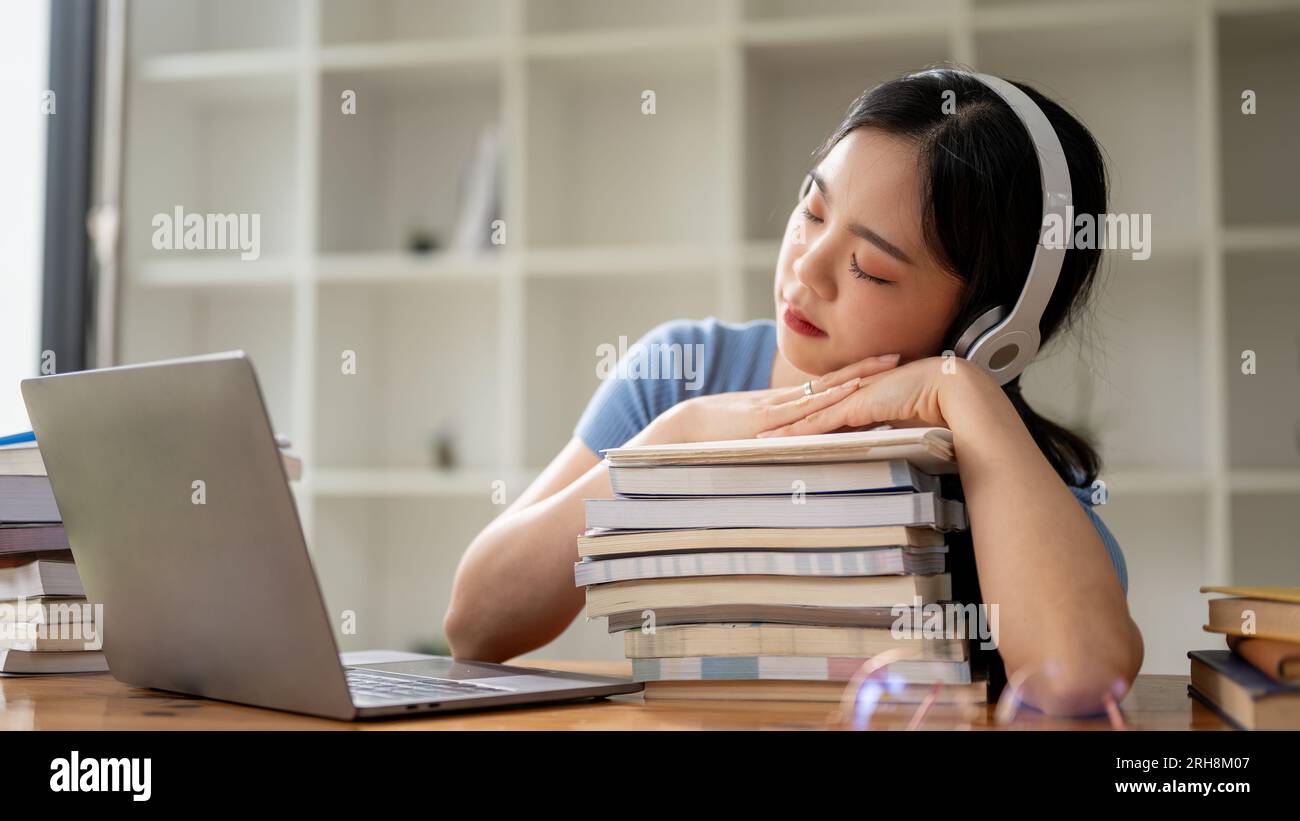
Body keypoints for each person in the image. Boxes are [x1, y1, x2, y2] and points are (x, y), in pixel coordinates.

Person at [446, 68, 1144, 716]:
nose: (806, 270)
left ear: (987, 327)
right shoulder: (685, 370)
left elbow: (1076, 674)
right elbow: (474, 625)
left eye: (869, 267)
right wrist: (669, 440)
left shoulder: (1006, 461)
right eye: (811, 211)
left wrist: (963, 390)